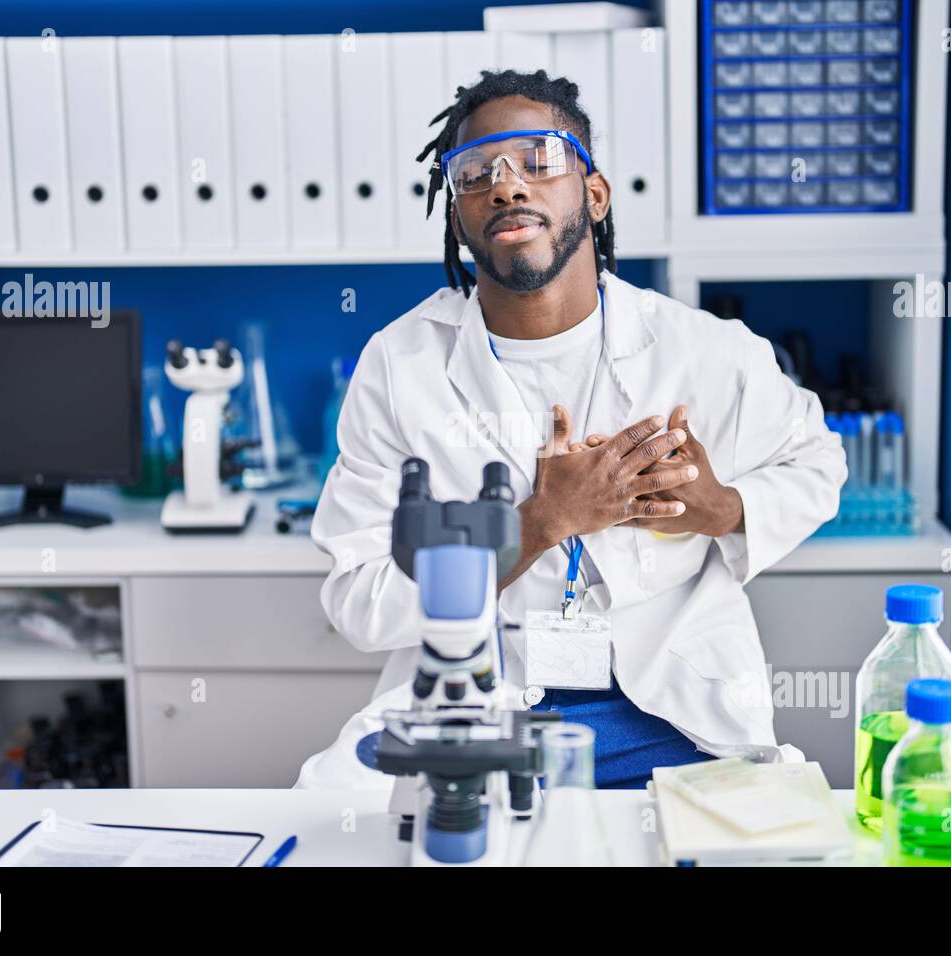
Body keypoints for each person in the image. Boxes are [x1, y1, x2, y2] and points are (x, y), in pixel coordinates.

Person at [295, 69, 846, 789]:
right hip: (478, 717)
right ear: (458, 215)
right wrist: (539, 522)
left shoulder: (706, 351)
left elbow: (818, 466)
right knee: (330, 817)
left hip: (670, 719)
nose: (507, 186)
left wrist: (721, 509)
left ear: (594, 193)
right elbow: (358, 602)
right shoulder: (401, 367)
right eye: (474, 173)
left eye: (538, 160)